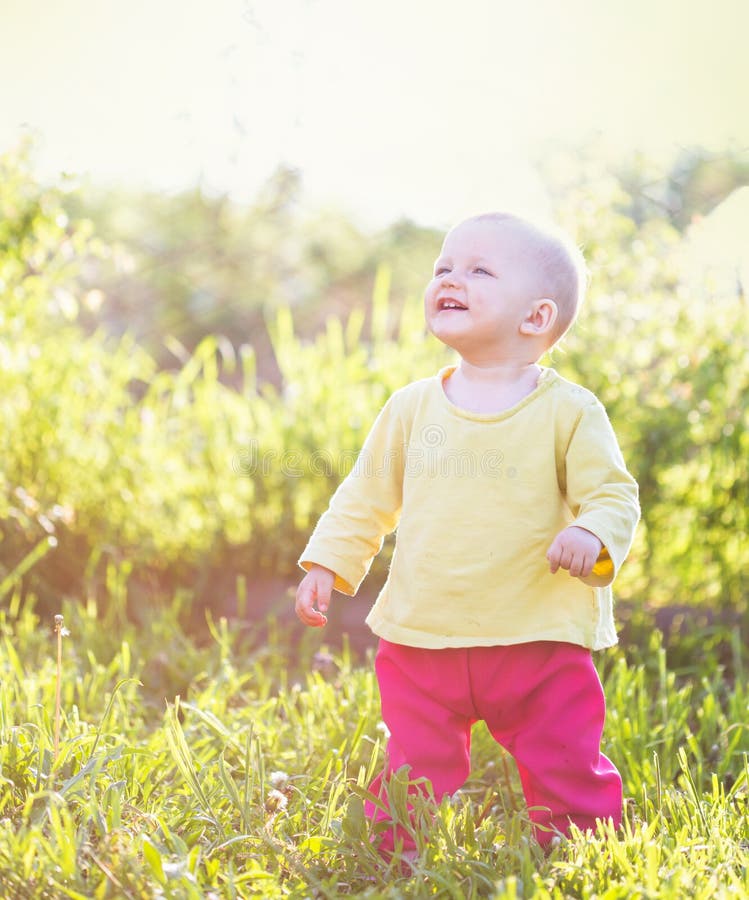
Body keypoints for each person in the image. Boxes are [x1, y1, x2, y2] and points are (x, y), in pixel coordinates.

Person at [295, 212, 640, 852]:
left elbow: (614, 494)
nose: (451, 278)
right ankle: (396, 847)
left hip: (536, 635)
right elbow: (367, 494)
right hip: (424, 629)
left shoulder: (570, 411)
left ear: (535, 318)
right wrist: (327, 563)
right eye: (444, 268)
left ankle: (578, 844)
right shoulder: (411, 407)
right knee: (413, 761)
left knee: (563, 756)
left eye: (479, 270)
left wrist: (593, 534)